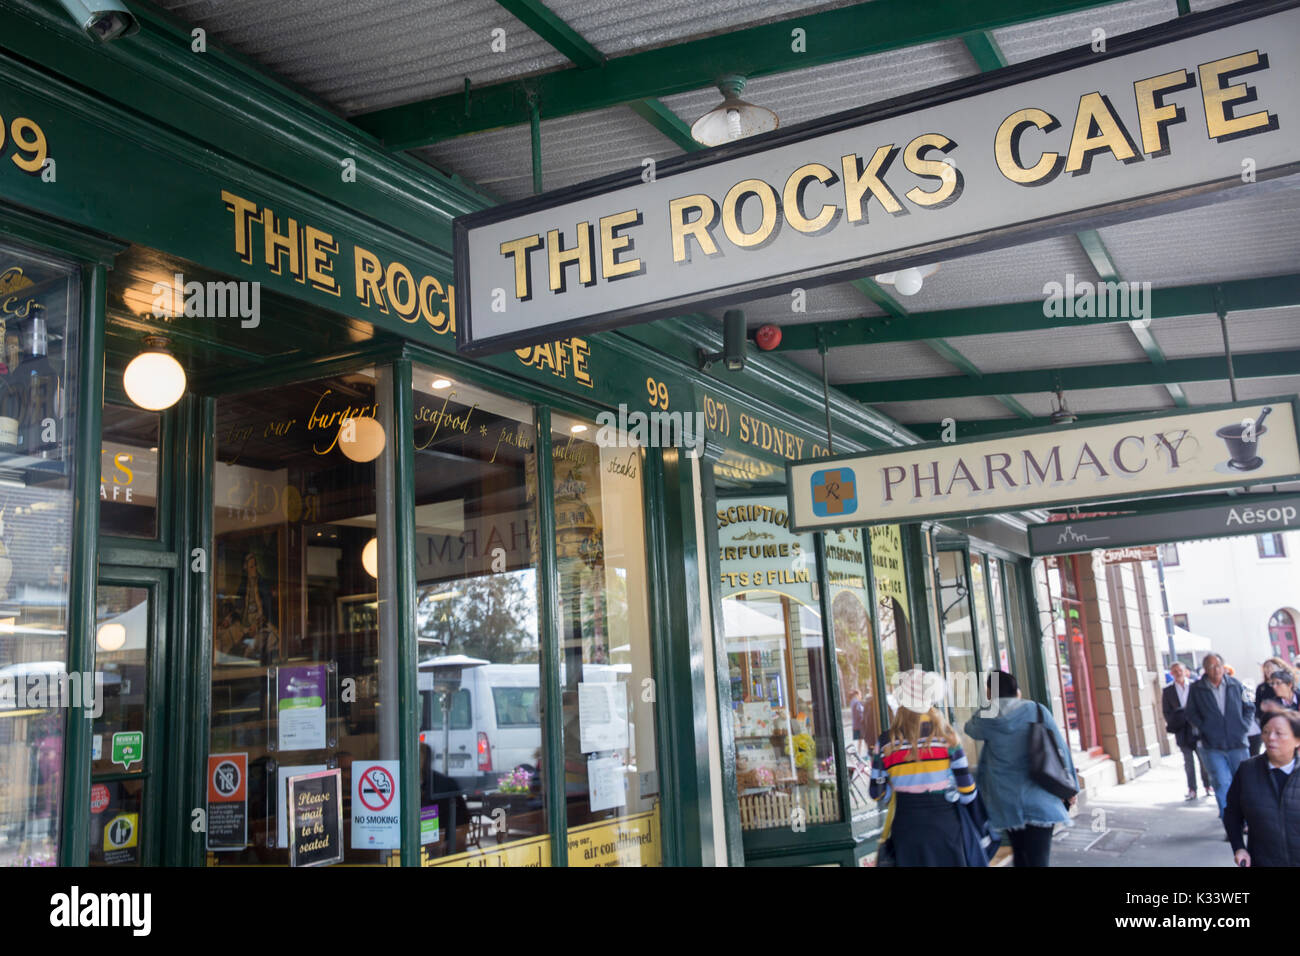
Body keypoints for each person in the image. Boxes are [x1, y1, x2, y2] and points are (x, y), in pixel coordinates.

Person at [965, 671, 1076, 866]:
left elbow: (969, 728)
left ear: (990, 693)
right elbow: (1061, 750)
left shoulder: (987, 717)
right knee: (1038, 859)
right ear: (1017, 691)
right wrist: (1071, 788)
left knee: (1021, 856)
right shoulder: (1037, 710)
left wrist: (989, 704)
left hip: (1007, 802)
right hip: (1040, 798)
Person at [869, 669, 979, 866]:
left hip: (907, 824)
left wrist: (897, 787)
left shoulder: (886, 742)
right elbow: (968, 792)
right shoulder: (948, 736)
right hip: (945, 825)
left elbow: (876, 792)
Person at [1224, 710, 1300, 867]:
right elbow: (1232, 814)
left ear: (1297, 740)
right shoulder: (1247, 771)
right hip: (1263, 861)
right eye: (1266, 732)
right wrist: (1239, 848)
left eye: (1279, 733)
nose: (1271, 738)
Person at [1185, 652, 1254, 819]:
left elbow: (1249, 707)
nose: (1215, 670)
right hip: (1212, 745)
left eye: (1218, 666)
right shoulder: (1197, 688)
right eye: (1210, 666)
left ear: (1223, 667)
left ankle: (1245, 820)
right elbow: (1191, 713)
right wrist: (1204, 728)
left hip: (1237, 743)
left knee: (1242, 783)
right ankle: (1231, 823)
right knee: (1222, 784)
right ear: (1205, 669)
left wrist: (1243, 727)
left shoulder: (1237, 685)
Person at [1163, 662, 1212, 801]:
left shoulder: (1195, 686)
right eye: (1175, 671)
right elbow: (1166, 712)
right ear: (1171, 674)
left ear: (1186, 672)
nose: (1178, 673)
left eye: (1180, 670)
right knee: (1188, 762)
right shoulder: (1168, 691)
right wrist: (1176, 720)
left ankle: (1208, 785)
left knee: (1203, 759)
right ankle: (1192, 789)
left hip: (1198, 729)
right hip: (1182, 731)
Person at [849, 689, 866, 755]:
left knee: (860, 740)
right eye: (860, 694)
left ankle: (859, 753)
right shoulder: (856, 702)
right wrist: (863, 718)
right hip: (859, 725)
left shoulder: (852, 702)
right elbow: (859, 713)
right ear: (857, 695)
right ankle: (862, 754)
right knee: (863, 739)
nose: (861, 696)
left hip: (856, 725)